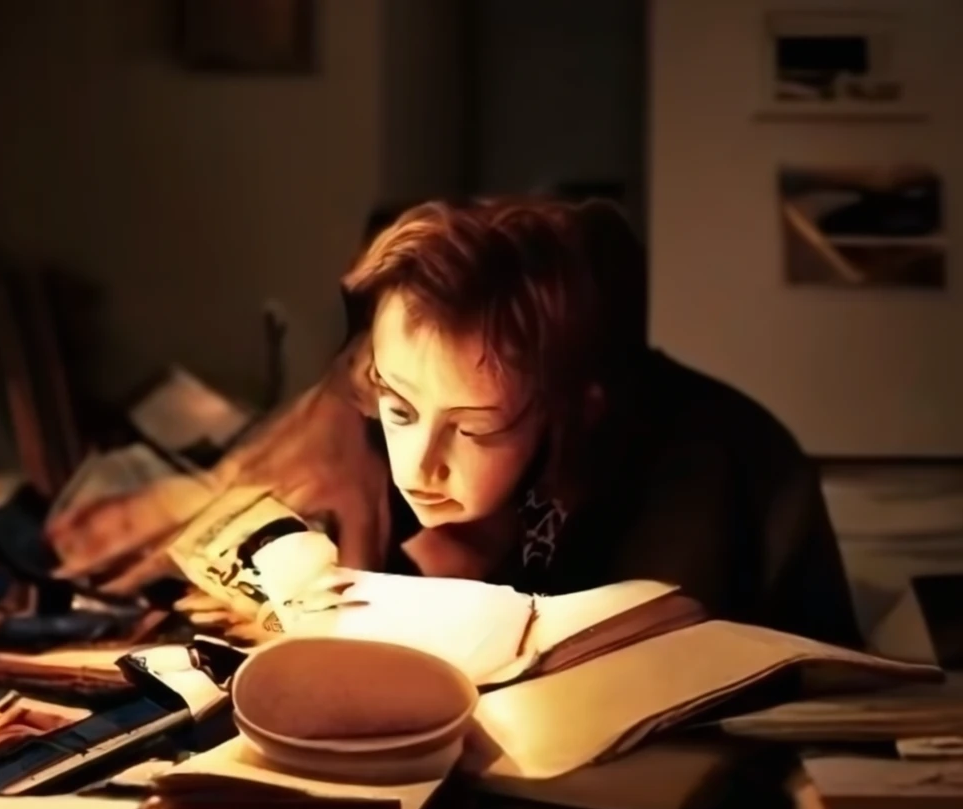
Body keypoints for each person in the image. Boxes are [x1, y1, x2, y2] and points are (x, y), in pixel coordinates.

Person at [327, 196, 862, 648]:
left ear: (569, 406)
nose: (420, 467)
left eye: (474, 428)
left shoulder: (706, 469)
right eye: (399, 408)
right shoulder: (362, 428)